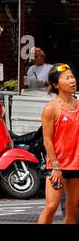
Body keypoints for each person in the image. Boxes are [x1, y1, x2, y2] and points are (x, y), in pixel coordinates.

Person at [38, 64, 78, 224]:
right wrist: (55, 166)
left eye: (72, 77)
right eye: (67, 78)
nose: (72, 81)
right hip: (57, 167)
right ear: (55, 84)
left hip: (75, 166)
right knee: (51, 206)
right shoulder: (51, 108)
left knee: (73, 208)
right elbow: (47, 140)